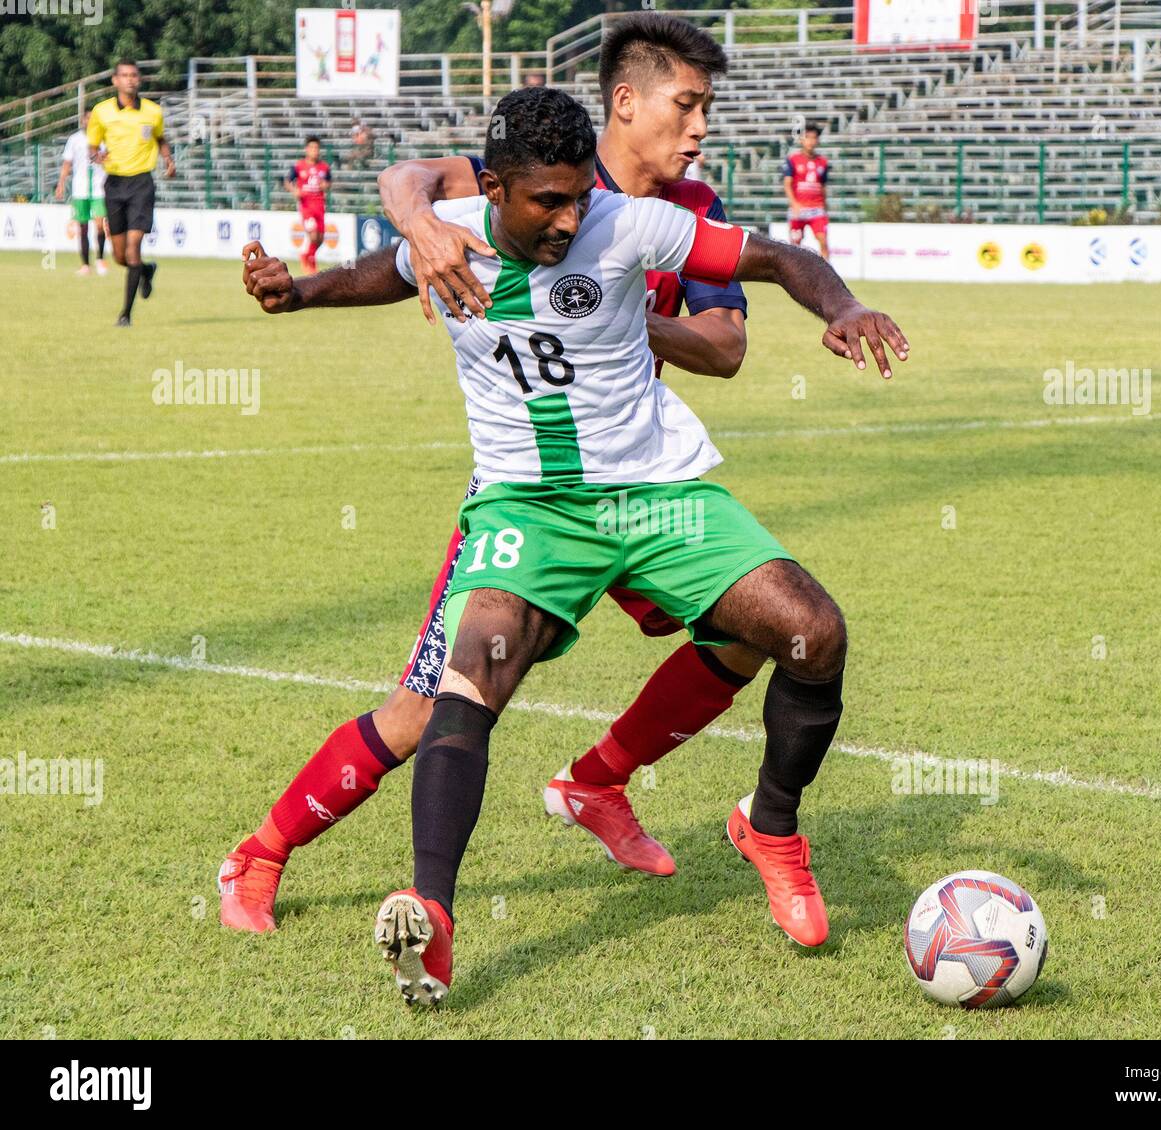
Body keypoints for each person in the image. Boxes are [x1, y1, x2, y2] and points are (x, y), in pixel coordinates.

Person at [346, 86, 899, 1005]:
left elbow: (775, 255)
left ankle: (771, 825)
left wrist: (839, 306)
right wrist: (299, 292)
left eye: (577, 199)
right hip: (529, 508)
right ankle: (433, 912)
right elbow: (381, 268)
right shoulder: (448, 229)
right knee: (471, 670)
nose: (570, 217)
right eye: (548, 203)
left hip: (654, 494)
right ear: (495, 189)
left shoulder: (630, 222)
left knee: (811, 631)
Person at [219, 14, 760, 935]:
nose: (701, 126)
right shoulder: (511, 172)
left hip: (642, 486)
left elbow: (727, 347)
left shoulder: (690, 213)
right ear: (623, 107)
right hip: (532, 499)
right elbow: (406, 181)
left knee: (755, 632)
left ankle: (596, 783)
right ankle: (260, 852)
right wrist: (419, 228)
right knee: (426, 711)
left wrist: (607, 318)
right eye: (688, 104)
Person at [86, 59, 175, 326]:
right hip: (114, 185)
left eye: (134, 75)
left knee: (134, 248)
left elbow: (160, 139)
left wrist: (168, 159)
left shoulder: (152, 111)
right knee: (121, 256)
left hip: (141, 184)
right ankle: (147, 270)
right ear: (115, 80)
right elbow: (92, 146)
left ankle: (125, 314)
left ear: (140, 80)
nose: (130, 79)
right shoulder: (101, 112)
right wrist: (96, 155)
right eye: (124, 75)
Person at [55, 110, 108, 276]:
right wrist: (61, 184)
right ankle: (85, 265)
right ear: (83, 121)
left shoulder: (104, 138)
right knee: (83, 227)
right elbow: (67, 164)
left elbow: (110, 158)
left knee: (100, 225)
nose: (90, 122)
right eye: (87, 119)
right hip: (80, 187)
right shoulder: (74, 139)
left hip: (99, 186)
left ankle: (100, 259)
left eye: (93, 119)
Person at [783, 123, 830, 261]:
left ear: (817, 140)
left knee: (823, 241)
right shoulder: (793, 159)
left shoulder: (823, 162)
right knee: (794, 246)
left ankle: (826, 277)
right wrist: (794, 204)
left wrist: (824, 206)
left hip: (817, 209)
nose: (810, 141)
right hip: (799, 209)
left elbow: (823, 186)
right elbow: (787, 184)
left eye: (813, 138)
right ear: (802, 140)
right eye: (807, 137)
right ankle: (794, 278)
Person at [286, 136, 331, 274]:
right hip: (307, 206)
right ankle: (310, 262)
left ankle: (307, 255)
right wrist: (294, 190)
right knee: (313, 235)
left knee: (321, 238)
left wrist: (325, 185)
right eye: (311, 148)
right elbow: (287, 181)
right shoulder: (299, 166)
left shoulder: (324, 167)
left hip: (320, 206)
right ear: (307, 149)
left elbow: (328, 182)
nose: (314, 151)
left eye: (316, 148)